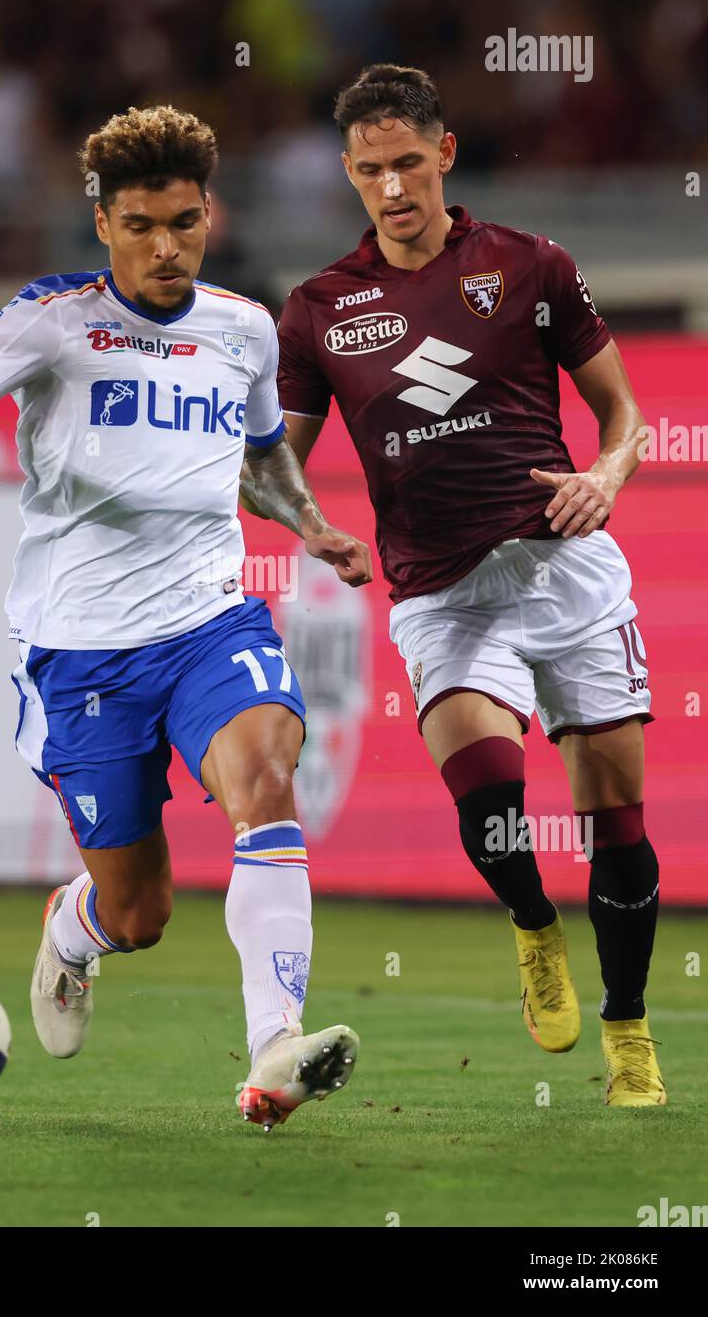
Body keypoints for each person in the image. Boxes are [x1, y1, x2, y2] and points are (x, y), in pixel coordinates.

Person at [0, 104, 374, 1130]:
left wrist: (310, 522)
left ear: (209, 216)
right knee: (138, 912)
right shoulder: (51, 317)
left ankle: (272, 1047)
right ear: (103, 223)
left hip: (210, 623)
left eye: (186, 223)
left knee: (267, 777)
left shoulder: (244, 330)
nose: (168, 246)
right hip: (82, 653)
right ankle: (73, 933)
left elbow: (256, 459)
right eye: (145, 224)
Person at [274, 65, 663, 1106]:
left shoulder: (531, 266)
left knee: (614, 819)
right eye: (369, 171)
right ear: (349, 176)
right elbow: (274, 464)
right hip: (441, 592)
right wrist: (310, 527)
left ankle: (627, 1034)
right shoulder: (317, 310)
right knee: (489, 796)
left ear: (444, 154)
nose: (392, 187)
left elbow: (624, 413)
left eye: (407, 162)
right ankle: (534, 925)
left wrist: (604, 474)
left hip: (567, 568)